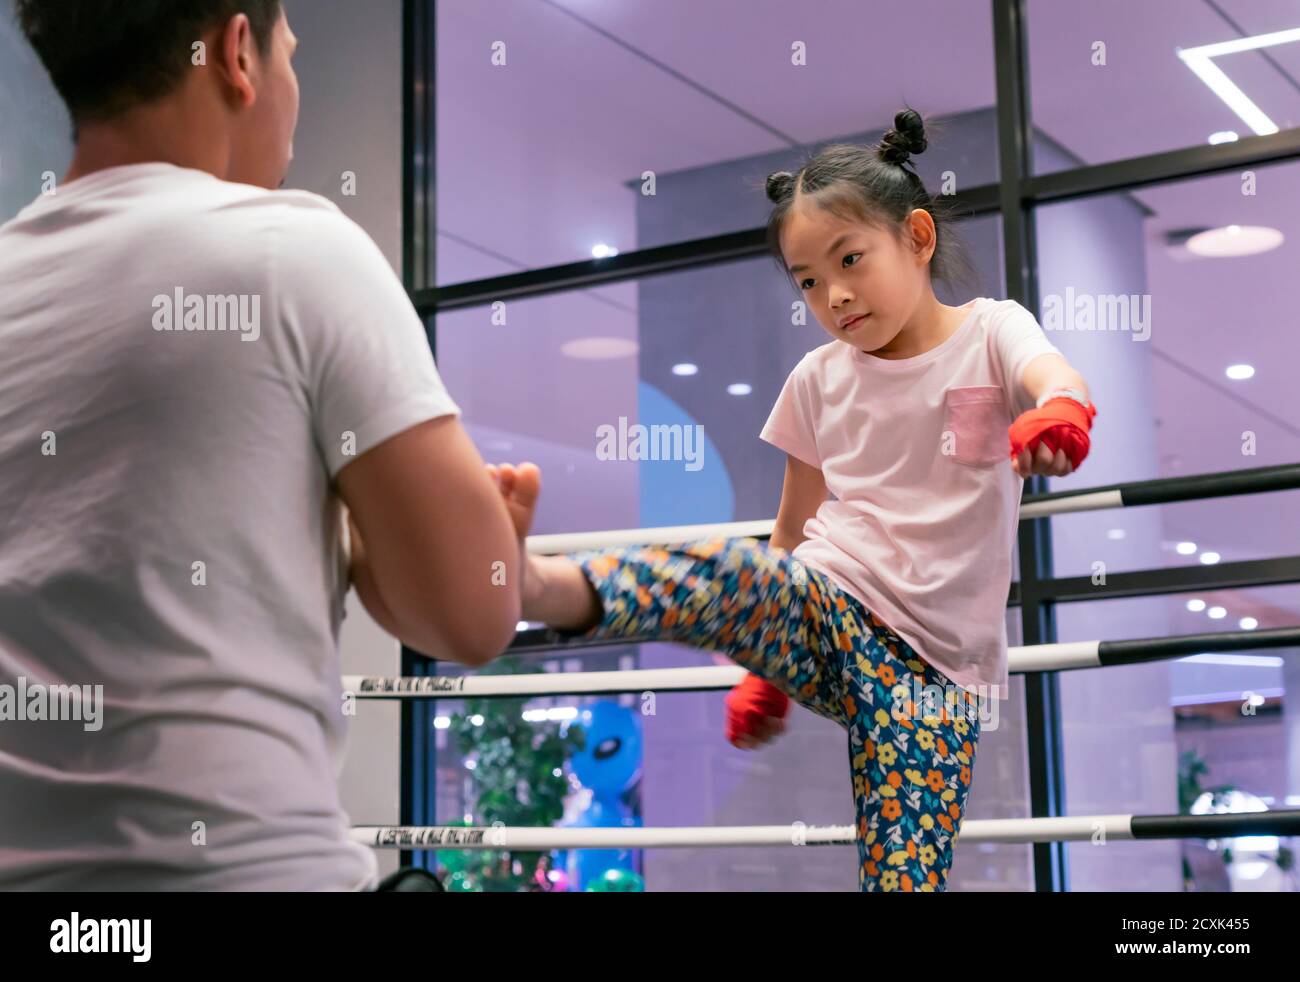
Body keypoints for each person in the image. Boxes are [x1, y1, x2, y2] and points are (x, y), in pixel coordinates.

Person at [491, 109, 1098, 892]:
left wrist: (1061, 414)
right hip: (832, 604)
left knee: (906, 873)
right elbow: (792, 529)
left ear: (918, 237)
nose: (834, 295)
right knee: (724, 571)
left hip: (936, 672)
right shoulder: (817, 379)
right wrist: (762, 667)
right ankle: (537, 583)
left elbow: (1055, 376)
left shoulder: (989, 331)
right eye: (809, 281)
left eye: (850, 261)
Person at [0, 1, 521, 889]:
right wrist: (421, 540)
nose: (292, 86)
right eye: (290, 55)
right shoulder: (294, 250)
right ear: (237, 55)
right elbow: (471, 616)